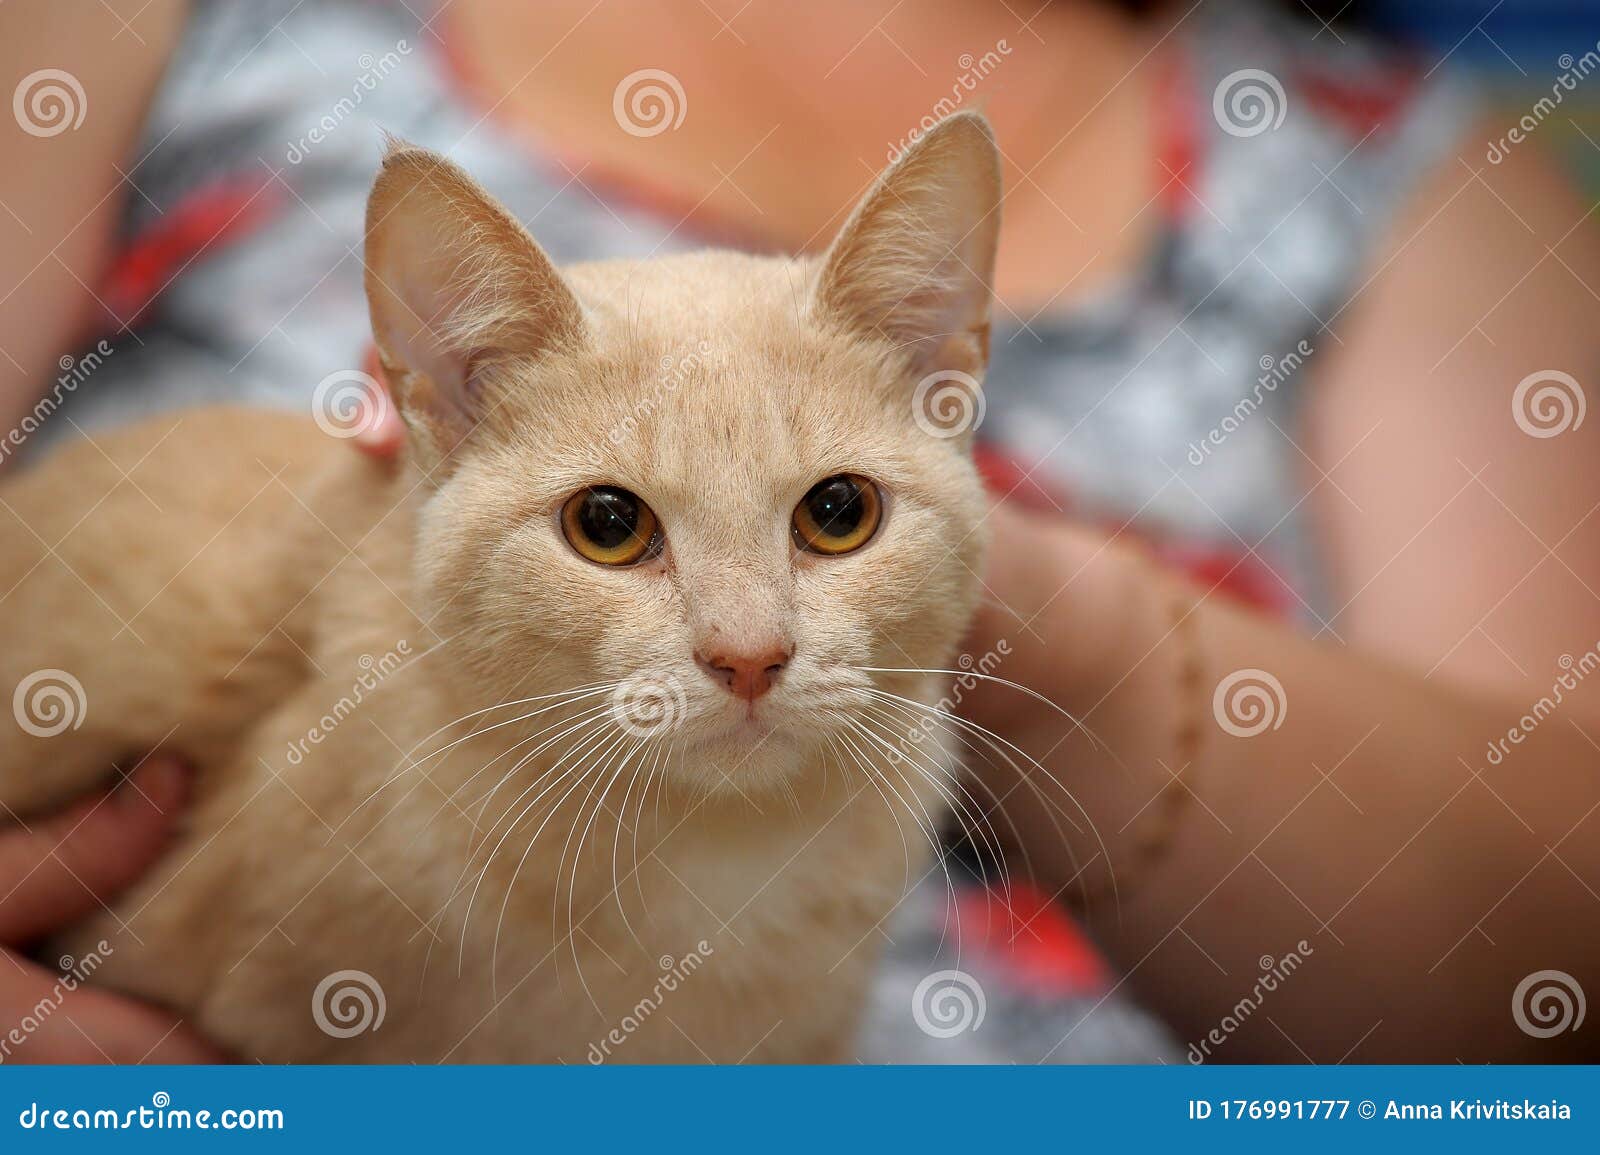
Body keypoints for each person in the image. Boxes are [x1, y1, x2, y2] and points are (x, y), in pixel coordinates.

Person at [2, 0, 1596, 1062]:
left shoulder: (1382, 163)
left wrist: (1066, 642)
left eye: (835, 512)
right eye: (614, 524)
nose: (747, 644)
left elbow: (1560, 994)